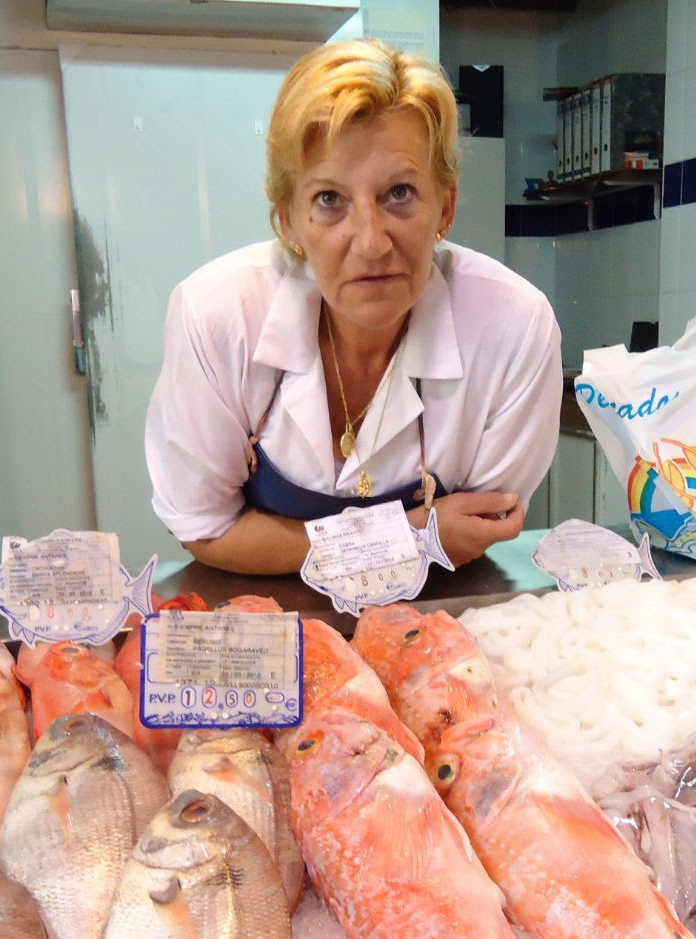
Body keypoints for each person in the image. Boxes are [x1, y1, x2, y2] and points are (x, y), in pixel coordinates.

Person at [144, 38, 563, 575]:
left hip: (437, 611)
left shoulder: (514, 327)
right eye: (329, 200)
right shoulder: (218, 315)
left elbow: (479, 529)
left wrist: (310, 544)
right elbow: (206, 529)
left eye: (399, 193)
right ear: (288, 222)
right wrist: (413, 535)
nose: (370, 243)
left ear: (446, 205)